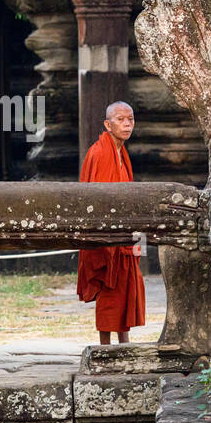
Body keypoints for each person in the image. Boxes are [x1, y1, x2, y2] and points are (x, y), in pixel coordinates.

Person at [76, 101, 146, 344]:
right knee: (109, 286)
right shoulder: (101, 152)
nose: (127, 124)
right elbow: (100, 199)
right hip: (107, 236)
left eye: (130, 119)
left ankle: (124, 342)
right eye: (120, 119)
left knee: (125, 285)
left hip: (124, 234)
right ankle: (105, 347)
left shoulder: (120, 152)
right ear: (108, 124)